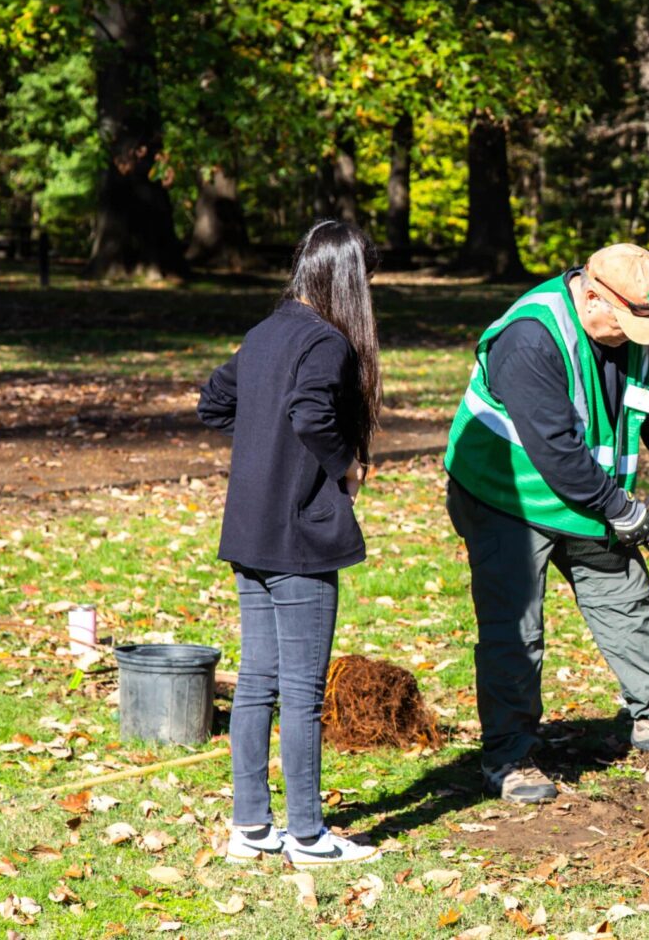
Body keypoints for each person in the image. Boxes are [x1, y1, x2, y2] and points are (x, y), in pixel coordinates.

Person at [444, 243, 649, 805]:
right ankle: (509, 756)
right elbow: (557, 449)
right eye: (627, 324)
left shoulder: (632, 329)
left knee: (625, 596)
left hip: (588, 494)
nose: (636, 338)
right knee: (517, 630)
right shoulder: (530, 336)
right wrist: (621, 507)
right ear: (591, 296)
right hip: (504, 495)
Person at [197, 219, 382, 868]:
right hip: (298, 538)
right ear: (349, 282)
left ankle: (250, 827)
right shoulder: (328, 344)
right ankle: (306, 835)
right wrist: (346, 468)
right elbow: (309, 414)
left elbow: (214, 402)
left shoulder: (264, 334)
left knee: (256, 684)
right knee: (300, 693)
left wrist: (263, 438)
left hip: (249, 534)